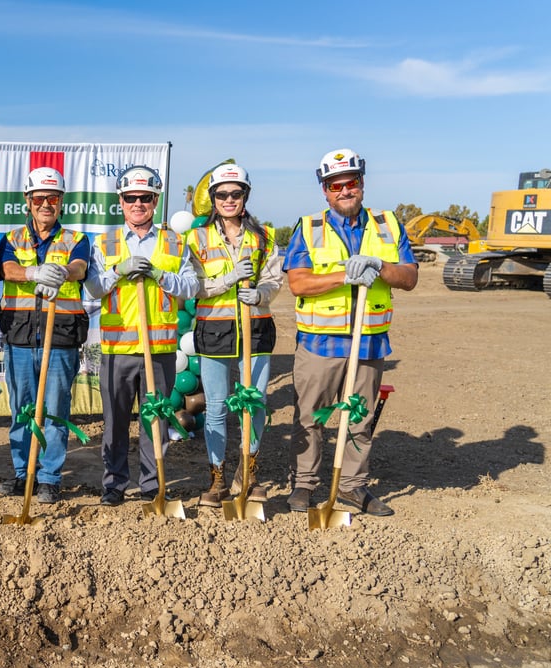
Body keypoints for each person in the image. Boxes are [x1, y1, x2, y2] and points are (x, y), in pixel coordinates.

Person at [284, 148, 418, 517]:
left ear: (362, 184)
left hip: (370, 343)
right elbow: (298, 283)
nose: (344, 190)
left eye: (351, 182)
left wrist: (379, 266)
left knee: (359, 419)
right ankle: (304, 484)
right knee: (310, 417)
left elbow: (409, 278)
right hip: (319, 344)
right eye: (335, 185)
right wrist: (344, 275)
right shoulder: (309, 228)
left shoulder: (389, 224)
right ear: (324, 190)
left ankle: (352, 487)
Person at [84, 165, 199, 506]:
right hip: (117, 351)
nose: (138, 204)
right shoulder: (104, 243)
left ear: (155, 200)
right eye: (131, 198)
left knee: (156, 422)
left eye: (145, 198)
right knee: (115, 422)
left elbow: (191, 286)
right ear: (121, 201)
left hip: (160, 349)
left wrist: (162, 276)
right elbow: (91, 289)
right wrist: (118, 272)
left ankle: (153, 483)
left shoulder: (175, 243)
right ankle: (115, 484)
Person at [185, 164, 283, 507]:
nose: (229, 200)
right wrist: (226, 281)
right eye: (222, 194)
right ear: (213, 198)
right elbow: (191, 287)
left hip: (255, 330)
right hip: (213, 330)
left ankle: (250, 473)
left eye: (236, 193)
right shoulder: (196, 238)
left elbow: (274, 279)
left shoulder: (265, 236)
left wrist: (261, 294)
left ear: (246, 196)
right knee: (216, 408)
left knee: (254, 404)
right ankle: (217, 480)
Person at [0, 167, 90, 504]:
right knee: (21, 410)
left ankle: (49, 477)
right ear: (28, 201)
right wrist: (33, 272)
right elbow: (6, 269)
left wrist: (62, 270)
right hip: (19, 336)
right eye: (39, 198)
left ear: (61, 202)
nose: (45, 204)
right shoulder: (11, 239)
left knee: (54, 411)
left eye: (52, 198)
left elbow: (80, 268)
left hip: (61, 337)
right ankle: (24, 475)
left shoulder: (76, 240)